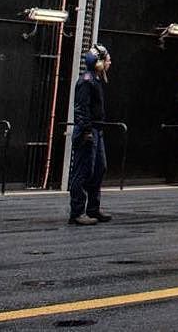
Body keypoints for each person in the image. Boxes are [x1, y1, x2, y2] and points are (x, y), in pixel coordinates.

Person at [68, 44, 112, 225]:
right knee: (82, 171)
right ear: (99, 62)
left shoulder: (95, 79)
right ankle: (77, 212)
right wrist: (86, 130)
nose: (110, 62)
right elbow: (81, 109)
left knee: (99, 169)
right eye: (107, 59)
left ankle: (93, 209)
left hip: (96, 130)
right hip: (88, 131)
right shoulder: (87, 80)